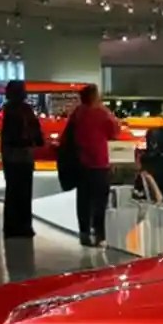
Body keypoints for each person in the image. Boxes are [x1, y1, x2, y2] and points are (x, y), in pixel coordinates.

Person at [64, 83, 121, 247]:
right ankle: (99, 234)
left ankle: (84, 233)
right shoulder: (102, 113)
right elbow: (115, 131)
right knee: (100, 202)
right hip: (99, 163)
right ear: (95, 96)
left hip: (81, 163)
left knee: (83, 200)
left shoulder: (77, 113)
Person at [0, 81, 43, 238]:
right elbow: (34, 133)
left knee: (12, 192)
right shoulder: (25, 110)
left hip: (10, 157)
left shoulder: (8, 110)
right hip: (23, 156)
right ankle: (24, 226)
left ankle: (11, 226)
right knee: (24, 192)